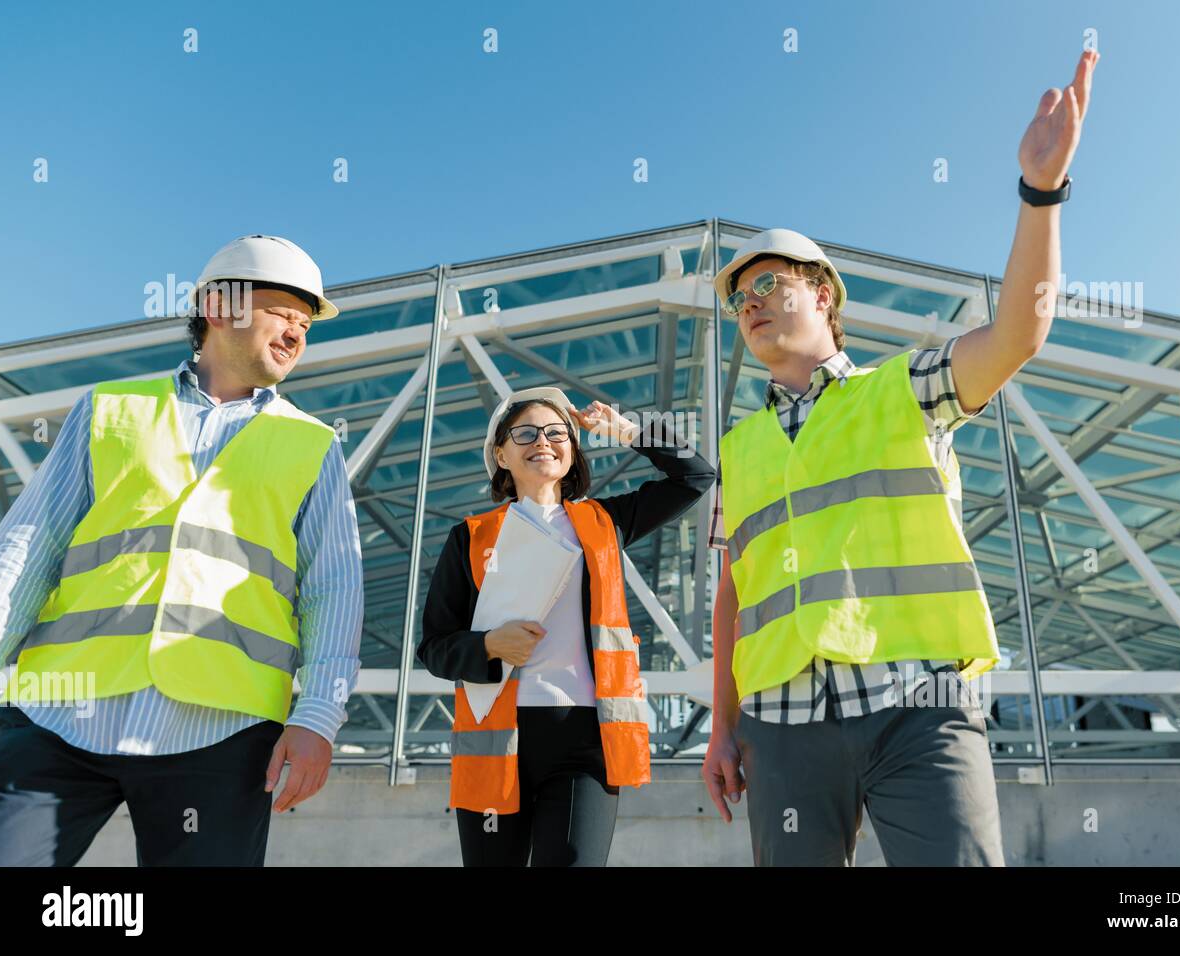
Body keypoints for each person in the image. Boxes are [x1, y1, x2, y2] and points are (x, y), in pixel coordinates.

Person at [701, 50, 1099, 866]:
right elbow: (733, 595)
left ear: (823, 294)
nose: (751, 306)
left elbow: (1017, 337)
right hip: (780, 727)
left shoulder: (902, 389)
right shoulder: (737, 449)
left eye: (769, 285)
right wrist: (724, 726)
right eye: (740, 300)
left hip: (918, 705)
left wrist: (1041, 193)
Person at [0, 235, 364, 866]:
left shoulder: (312, 445)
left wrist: (317, 718)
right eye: (283, 314)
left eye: (306, 325)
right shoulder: (110, 410)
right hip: (58, 716)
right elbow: (26, 549)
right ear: (219, 308)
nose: (297, 334)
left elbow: (335, 590)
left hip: (222, 734)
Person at [418, 387, 713, 866]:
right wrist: (490, 645)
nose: (544, 441)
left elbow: (696, 475)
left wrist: (625, 430)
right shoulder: (470, 537)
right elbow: (433, 646)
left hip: (586, 739)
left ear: (574, 451)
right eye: (527, 433)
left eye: (558, 433)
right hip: (497, 737)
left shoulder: (604, 523)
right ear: (500, 454)